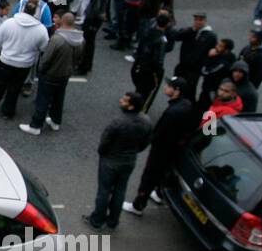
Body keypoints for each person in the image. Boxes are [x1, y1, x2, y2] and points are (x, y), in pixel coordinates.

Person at [124, 78, 196, 217]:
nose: (166, 88)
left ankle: (138, 205)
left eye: (169, 86)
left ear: (177, 91)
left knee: (149, 176)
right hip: (174, 148)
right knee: (163, 173)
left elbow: (159, 133)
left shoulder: (172, 112)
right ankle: (158, 193)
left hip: (161, 150)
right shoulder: (186, 105)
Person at [84, 91, 152, 232]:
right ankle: (113, 221)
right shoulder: (146, 121)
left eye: (125, 101)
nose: (121, 101)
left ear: (131, 106)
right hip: (129, 161)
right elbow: (145, 142)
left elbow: (104, 144)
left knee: (104, 191)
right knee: (120, 191)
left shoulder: (117, 122)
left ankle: (97, 220)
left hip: (110, 161)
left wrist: (104, 154)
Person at [0, 0, 49, 119]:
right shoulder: (41, 29)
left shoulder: (9, 23)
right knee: (15, 88)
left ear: (23, 9)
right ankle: (7, 112)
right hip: (24, 64)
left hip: (6, 60)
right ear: (35, 13)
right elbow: (43, 47)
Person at [20, 11, 83, 134]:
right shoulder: (80, 39)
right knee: (59, 99)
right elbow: (78, 58)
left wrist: (41, 70)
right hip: (65, 74)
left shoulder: (57, 39)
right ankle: (55, 121)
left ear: (63, 21)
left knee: (43, 100)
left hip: (50, 74)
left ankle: (36, 126)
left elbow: (46, 59)